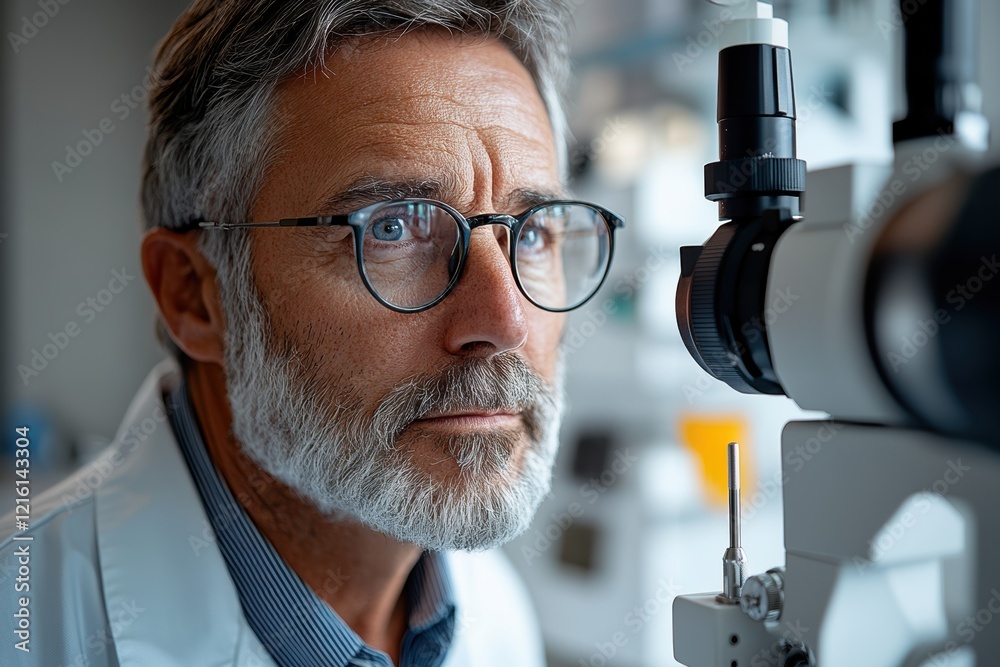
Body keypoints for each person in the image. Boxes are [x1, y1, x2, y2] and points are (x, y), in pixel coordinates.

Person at [0, 1, 624, 665]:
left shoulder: (493, 611)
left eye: (533, 235)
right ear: (194, 294)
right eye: (393, 228)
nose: (505, 322)